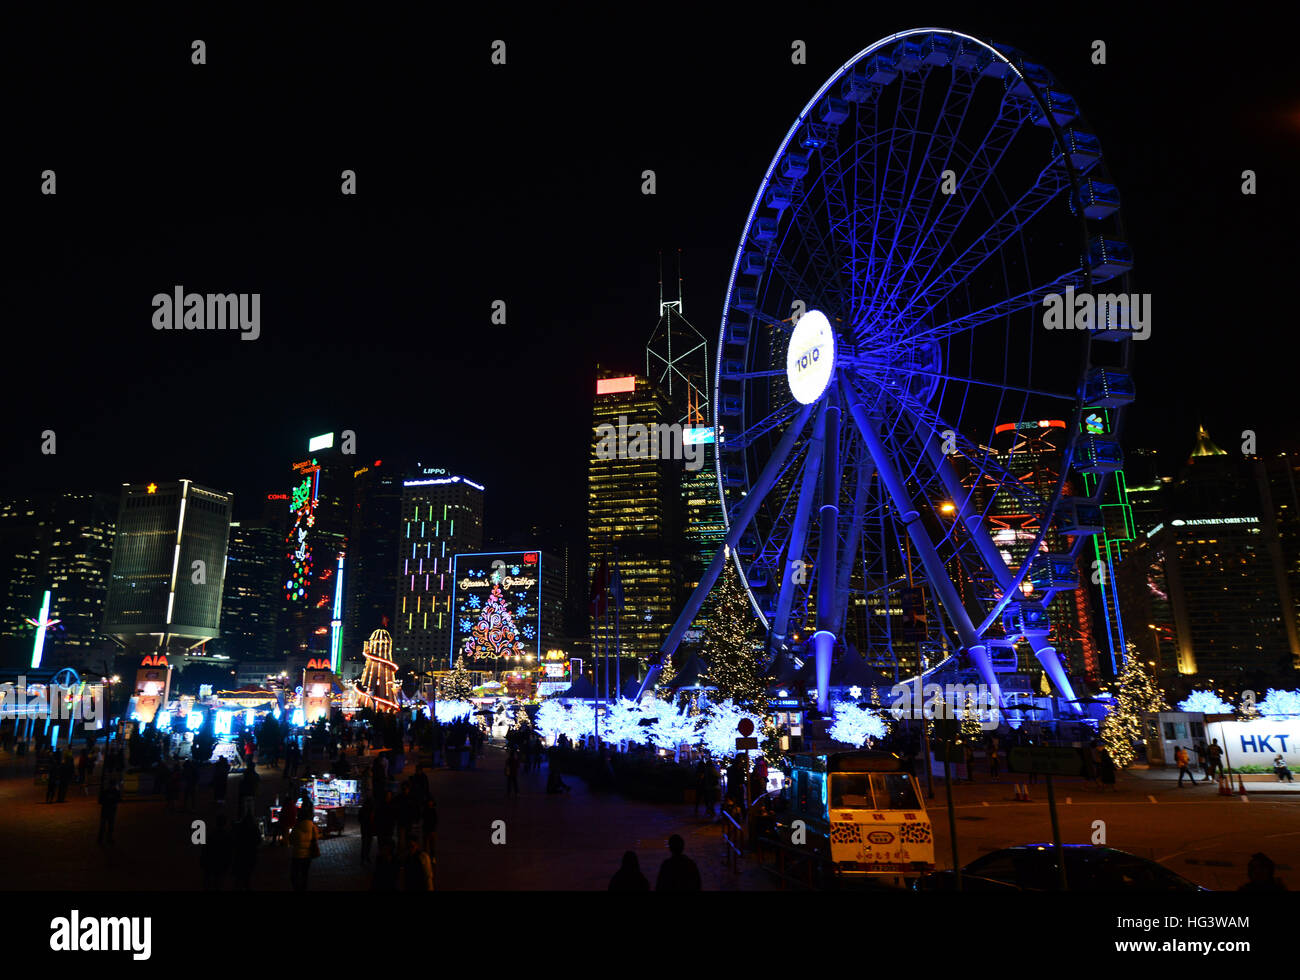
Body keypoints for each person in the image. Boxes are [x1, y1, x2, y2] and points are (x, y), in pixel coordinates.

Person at [288, 802, 321, 892]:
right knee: (304, 874)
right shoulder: (313, 827)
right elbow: (316, 837)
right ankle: (303, 888)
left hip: (297, 855)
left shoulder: (297, 827)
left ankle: (297, 889)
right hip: (308, 855)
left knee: (294, 875)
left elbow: (291, 840)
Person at [200, 814, 232, 890]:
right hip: (221, 862)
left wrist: (203, 861)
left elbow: (205, 849)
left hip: (211, 861)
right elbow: (229, 851)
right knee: (219, 882)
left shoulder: (211, 834)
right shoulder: (227, 836)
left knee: (209, 882)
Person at [231, 813, 260, 890]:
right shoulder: (254, 828)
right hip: (251, 855)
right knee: (248, 876)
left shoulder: (239, 829)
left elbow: (234, 841)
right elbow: (258, 841)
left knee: (238, 878)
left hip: (240, 855)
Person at [98, 778, 122, 845]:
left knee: (106, 825)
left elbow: (100, 801)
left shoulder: (107, 791)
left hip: (107, 810)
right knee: (107, 825)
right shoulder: (114, 791)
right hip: (110, 810)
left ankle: (103, 839)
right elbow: (119, 800)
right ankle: (106, 839)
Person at [358, 795, 376, 863]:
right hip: (369, 828)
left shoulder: (363, 809)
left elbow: (359, 819)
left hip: (365, 828)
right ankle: (366, 856)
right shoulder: (372, 810)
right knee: (368, 843)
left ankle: (363, 857)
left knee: (364, 843)